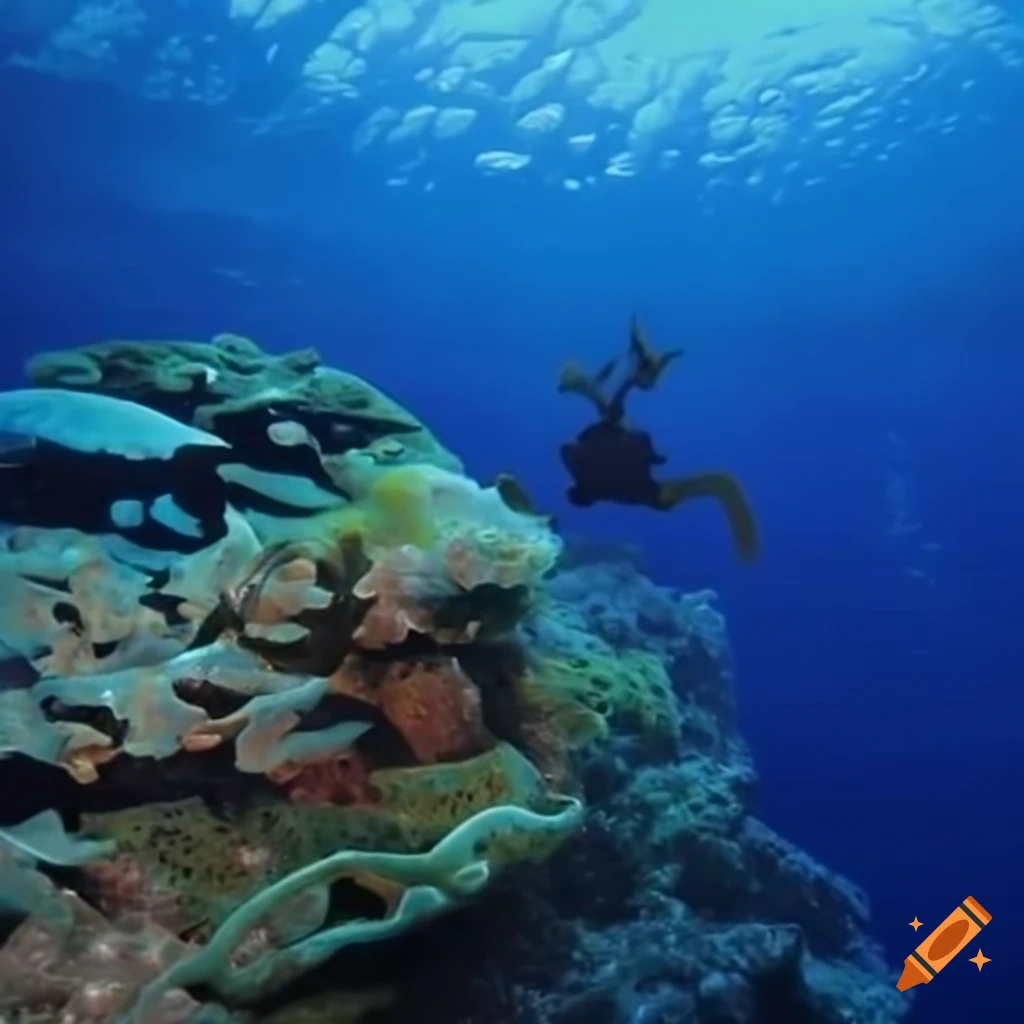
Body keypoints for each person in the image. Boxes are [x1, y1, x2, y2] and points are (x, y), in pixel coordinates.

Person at [557, 314, 760, 561]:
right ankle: (627, 376)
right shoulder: (584, 467)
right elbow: (569, 449)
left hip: (630, 462)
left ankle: (623, 377)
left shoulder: (598, 476)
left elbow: (720, 484)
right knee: (613, 418)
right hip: (624, 454)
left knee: (718, 483)